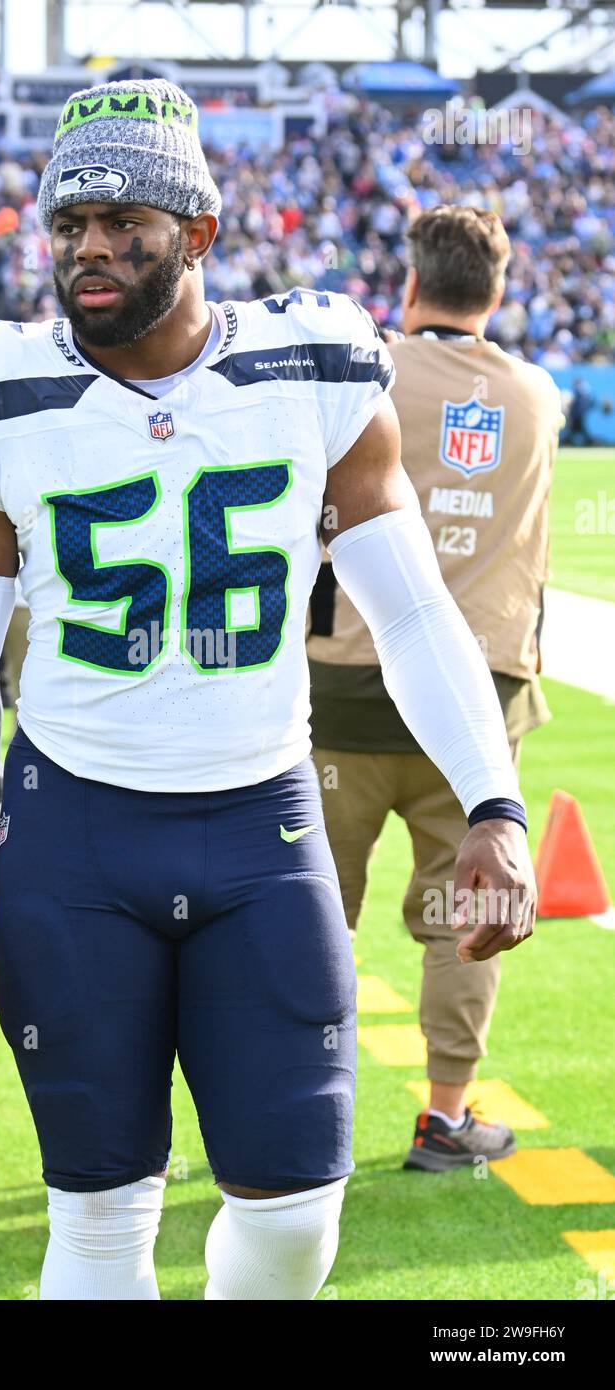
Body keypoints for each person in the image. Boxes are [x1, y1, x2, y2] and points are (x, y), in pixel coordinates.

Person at [0, 81, 536, 1302]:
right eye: (69, 223)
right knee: (96, 1215)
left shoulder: (315, 366)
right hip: (75, 829)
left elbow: (405, 610)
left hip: (263, 820)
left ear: (196, 234)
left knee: (297, 1210)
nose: (89, 249)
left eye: (124, 222)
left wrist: (496, 807)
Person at [308, 206, 562, 1172]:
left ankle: (284, 1102)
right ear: (496, 292)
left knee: (310, 908)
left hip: (346, 690)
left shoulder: (367, 367)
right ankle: (446, 1117)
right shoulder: (536, 395)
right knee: (468, 918)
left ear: (410, 281)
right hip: (479, 706)